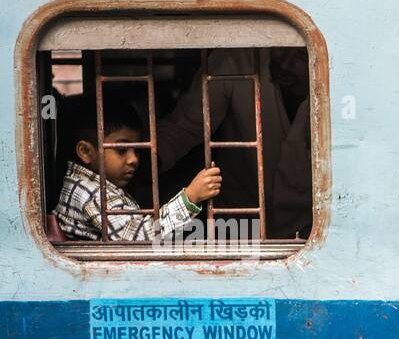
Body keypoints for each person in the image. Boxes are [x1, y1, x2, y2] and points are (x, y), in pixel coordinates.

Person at [154, 47, 311, 239]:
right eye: (281, 49)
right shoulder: (237, 60)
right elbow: (185, 126)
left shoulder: (338, 82)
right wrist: (149, 159)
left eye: (302, 57)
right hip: (239, 220)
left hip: (311, 226)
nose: (286, 63)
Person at [53, 95, 221, 241]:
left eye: (137, 150)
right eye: (121, 150)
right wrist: (190, 197)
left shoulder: (85, 185)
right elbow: (142, 239)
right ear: (85, 151)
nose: (134, 159)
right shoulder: (91, 193)